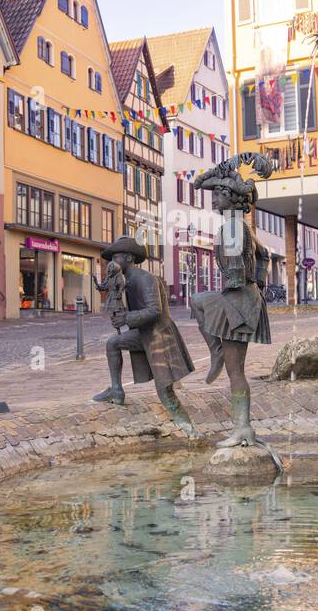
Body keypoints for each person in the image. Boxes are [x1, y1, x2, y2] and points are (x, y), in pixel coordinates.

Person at [190, 152, 273, 447]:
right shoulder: (242, 226)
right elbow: (264, 255)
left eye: (217, 195)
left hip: (239, 300)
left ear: (229, 196)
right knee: (198, 300)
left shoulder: (232, 228)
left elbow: (238, 270)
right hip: (245, 297)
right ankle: (215, 353)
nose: (213, 200)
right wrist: (259, 282)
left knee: (235, 371)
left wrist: (239, 278)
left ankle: (242, 428)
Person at [92, 236, 196, 437]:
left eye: (117, 257)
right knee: (113, 343)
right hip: (144, 334)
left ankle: (191, 433)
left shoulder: (145, 278)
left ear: (129, 258)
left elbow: (155, 310)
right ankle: (116, 390)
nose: (112, 261)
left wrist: (126, 318)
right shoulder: (125, 280)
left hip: (159, 337)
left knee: (165, 392)